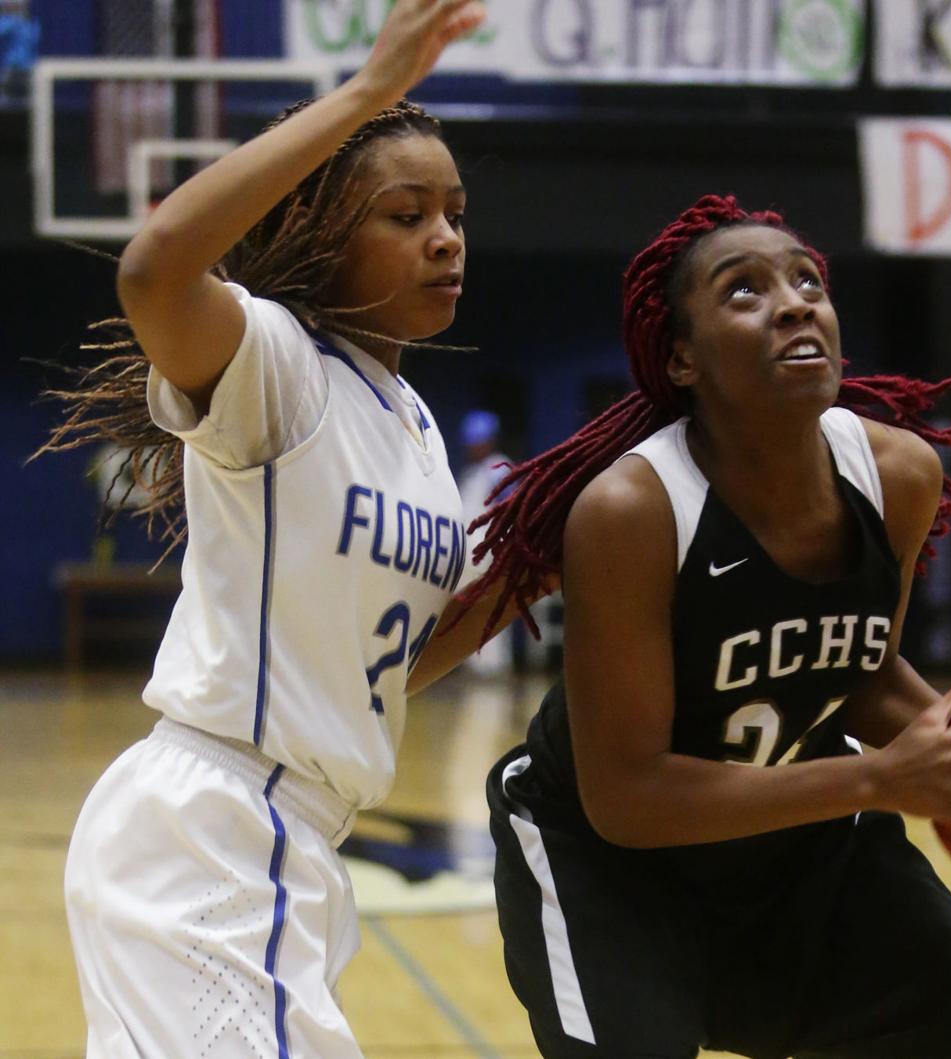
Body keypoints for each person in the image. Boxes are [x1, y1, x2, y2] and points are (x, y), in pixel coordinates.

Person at [33, 4, 545, 1057]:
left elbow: (388, 667)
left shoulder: (409, 424)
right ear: (320, 233)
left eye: (453, 211)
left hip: (291, 841)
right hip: (211, 830)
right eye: (405, 214)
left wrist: (528, 572)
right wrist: (362, 94)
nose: (445, 235)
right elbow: (153, 272)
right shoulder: (278, 365)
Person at [464, 196, 951, 1057]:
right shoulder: (632, 511)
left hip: (799, 850)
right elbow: (626, 797)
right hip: (608, 866)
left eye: (807, 280)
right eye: (743, 291)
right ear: (680, 358)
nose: (793, 301)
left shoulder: (897, 472)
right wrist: (878, 781)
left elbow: (860, 671)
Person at [457, 409, 516, 674]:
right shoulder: (471, 474)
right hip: (469, 555)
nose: (473, 447)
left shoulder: (498, 468)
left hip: (491, 552)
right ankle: (474, 665)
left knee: (489, 608)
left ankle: (492, 669)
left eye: (478, 442)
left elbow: (510, 510)